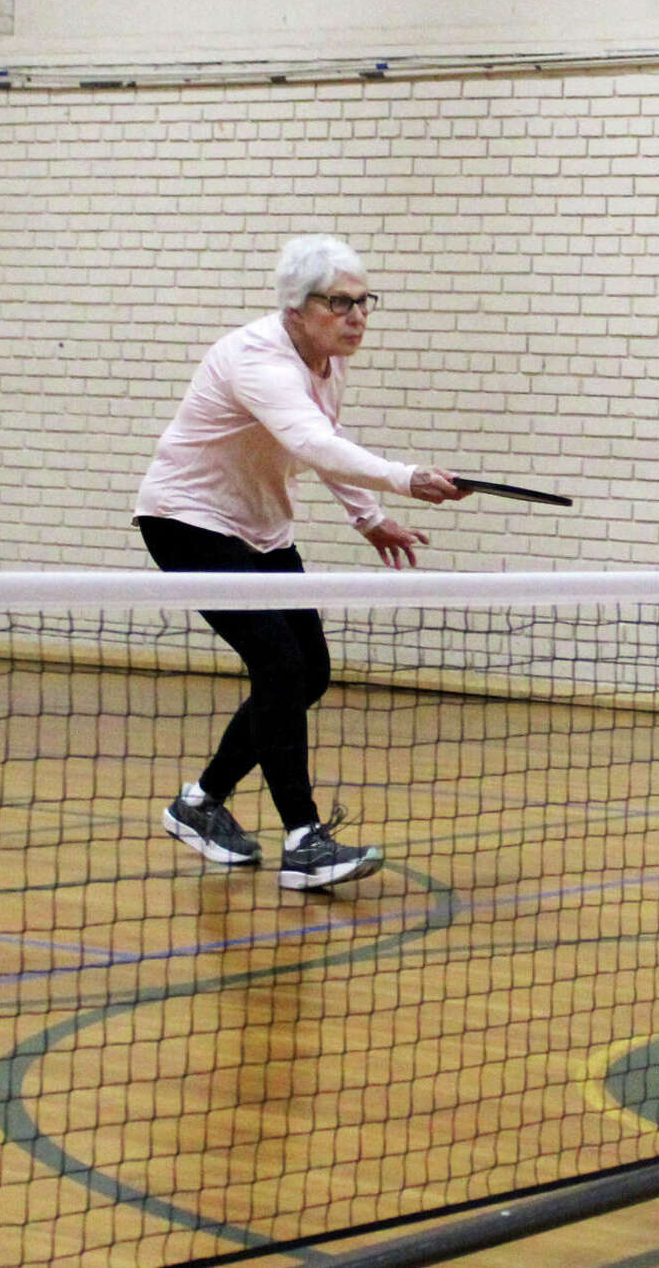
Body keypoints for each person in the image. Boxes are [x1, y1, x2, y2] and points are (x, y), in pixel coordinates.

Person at [135, 235, 469, 891]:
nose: (357, 316)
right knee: (279, 663)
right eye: (339, 302)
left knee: (308, 671)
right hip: (187, 521)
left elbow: (325, 444)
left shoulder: (325, 360)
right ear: (295, 307)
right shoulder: (256, 355)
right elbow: (308, 438)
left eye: (364, 301)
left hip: (259, 527)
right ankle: (304, 838)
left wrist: (370, 518)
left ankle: (199, 802)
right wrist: (405, 478)